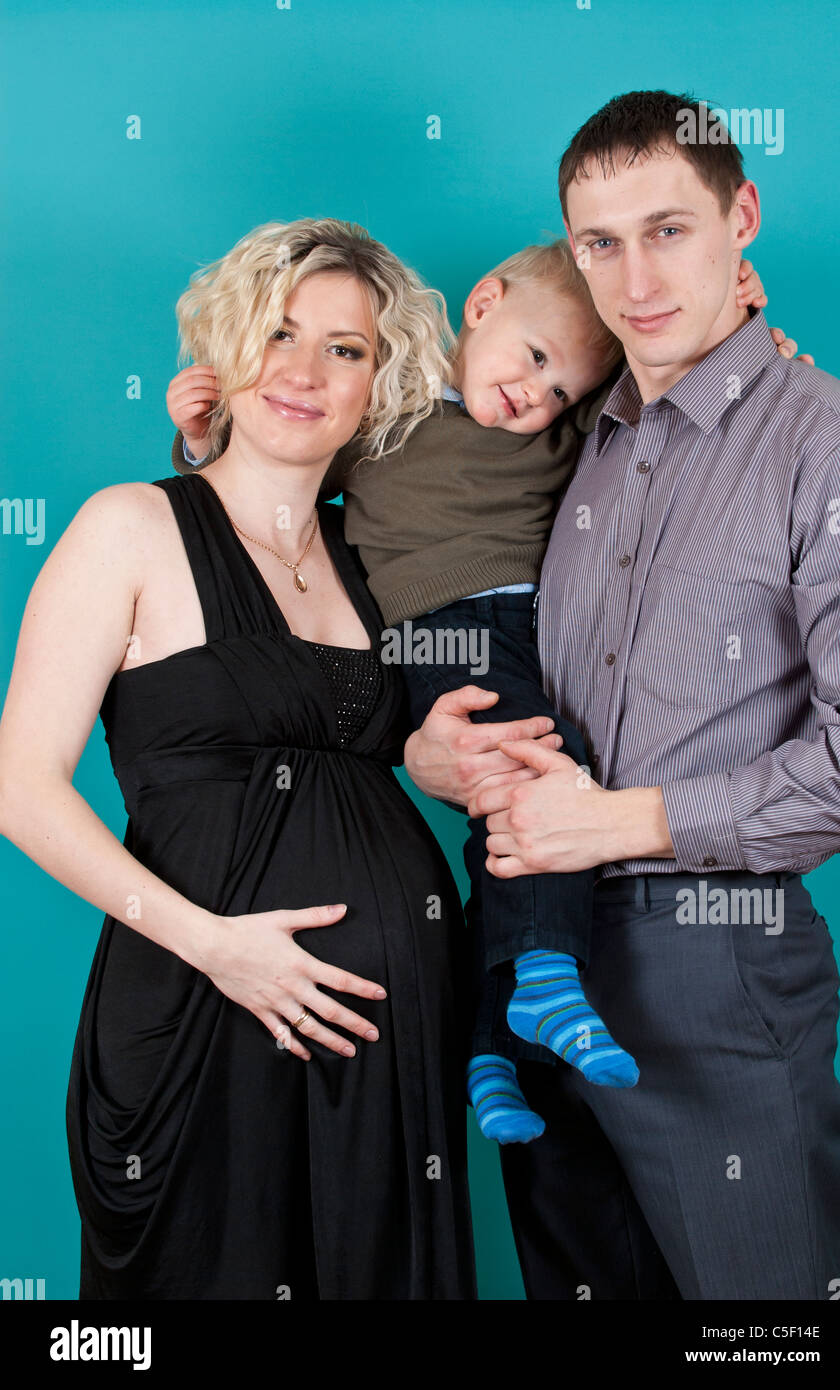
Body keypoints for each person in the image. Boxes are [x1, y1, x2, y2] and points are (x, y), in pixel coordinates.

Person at [170, 238, 802, 1147]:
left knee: (506, 816)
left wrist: (743, 330)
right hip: (440, 633)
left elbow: (676, 400)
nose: (534, 396)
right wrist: (201, 438)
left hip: (533, 634)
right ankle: (544, 975)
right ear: (483, 303)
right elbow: (275, 467)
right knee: (548, 776)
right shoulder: (385, 420)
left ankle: (489, 1043)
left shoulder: (560, 436)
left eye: (560, 391)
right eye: (534, 360)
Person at [404, 90, 840, 1300]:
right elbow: (428, 588)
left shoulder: (832, 447)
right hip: (529, 949)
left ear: (743, 219)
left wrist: (626, 821)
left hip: (713, 965)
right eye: (600, 243)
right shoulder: (564, 438)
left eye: (669, 229)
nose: (635, 276)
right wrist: (433, 753)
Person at [0, 217, 493, 1299]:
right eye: (276, 333)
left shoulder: (372, 555)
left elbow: (538, 425)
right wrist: (217, 947)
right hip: (204, 1016)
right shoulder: (128, 526)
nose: (304, 372)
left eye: (345, 348)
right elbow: (22, 791)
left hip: (387, 1047)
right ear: (223, 351)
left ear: (382, 377)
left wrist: (433, 752)